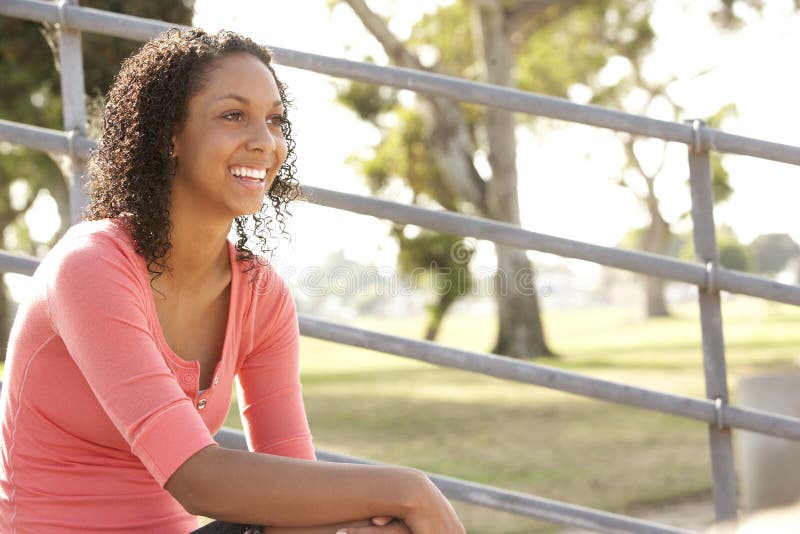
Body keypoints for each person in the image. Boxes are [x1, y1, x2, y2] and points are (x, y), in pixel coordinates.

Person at [0, 28, 464, 534]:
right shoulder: (91, 266)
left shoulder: (260, 296)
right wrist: (408, 489)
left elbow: (294, 485)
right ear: (168, 136)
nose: (264, 141)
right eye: (233, 115)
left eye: (274, 121)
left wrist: (390, 509)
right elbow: (196, 477)